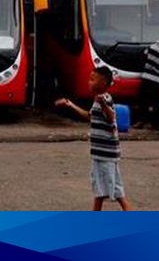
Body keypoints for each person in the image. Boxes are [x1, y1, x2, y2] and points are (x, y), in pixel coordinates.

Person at [55, 66, 132, 211]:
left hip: (105, 154)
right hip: (103, 154)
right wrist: (70, 105)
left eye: (92, 79)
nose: (89, 82)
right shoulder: (98, 100)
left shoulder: (105, 99)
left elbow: (111, 117)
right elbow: (90, 116)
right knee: (111, 190)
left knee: (102, 190)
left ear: (103, 83)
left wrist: (103, 105)